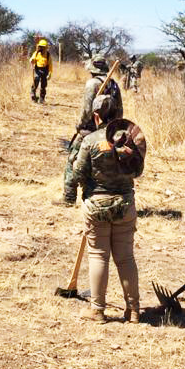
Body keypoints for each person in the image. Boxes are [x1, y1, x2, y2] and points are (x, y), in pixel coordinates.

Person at [69, 94, 146, 322]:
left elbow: (78, 175)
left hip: (97, 206)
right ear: (118, 114)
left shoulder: (90, 141)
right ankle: (133, 311)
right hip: (125, 206)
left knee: (98, 256)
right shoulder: (131, 139)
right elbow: (138, 172)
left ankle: (97, 310)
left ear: (95, 116)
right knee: (125, 258)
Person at [60, 55, 123, 204]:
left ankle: (69, 197)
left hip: (90, 129)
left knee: (72, 159)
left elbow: (87, 110)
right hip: (109, 129)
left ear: (92, 69)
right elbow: (120, 110)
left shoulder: (92, 84)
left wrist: (80, 125)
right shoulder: (114, 84)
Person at [29, 39, 53, 103]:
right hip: (37, 70)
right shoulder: (36, 53)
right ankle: (33, 95)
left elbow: (50, 64)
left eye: (44, 47)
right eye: (41, 47)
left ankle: (42, 98)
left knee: (43, 85)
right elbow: (32, 59)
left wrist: (50, 73)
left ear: (46, 47)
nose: (42, 48)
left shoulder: (48, 55)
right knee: (36, 80)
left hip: (45, 70)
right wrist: (32, 60)